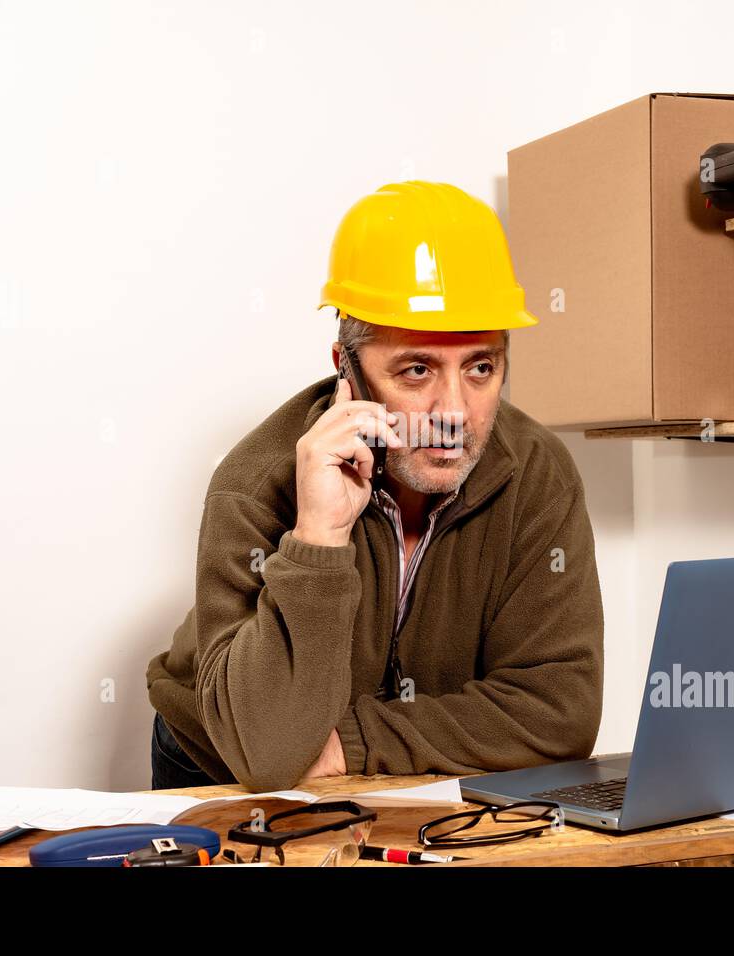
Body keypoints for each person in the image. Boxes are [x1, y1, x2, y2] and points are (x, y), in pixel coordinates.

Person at [147, 180, 604, 793]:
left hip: (407, 769)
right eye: (416, 370)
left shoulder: (538, 475)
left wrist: (352, 745)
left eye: (481, 368)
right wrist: (319, 537)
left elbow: (559, 714)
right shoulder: (253, 484)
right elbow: (269, 753)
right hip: (217, 766)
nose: (453, 412)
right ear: (346, 367)